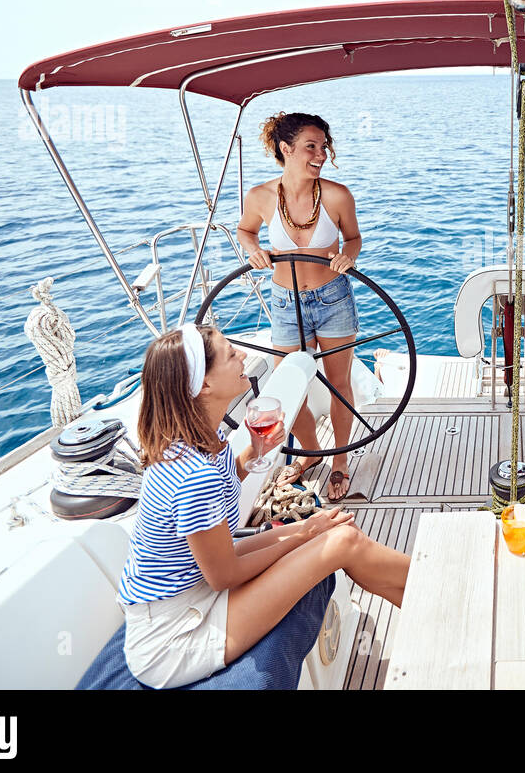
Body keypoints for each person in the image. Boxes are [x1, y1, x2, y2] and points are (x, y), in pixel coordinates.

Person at [116, 323, 410, 689]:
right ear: (203, 385)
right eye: (230, 354)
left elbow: (223, 494)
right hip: (175, 638)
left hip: (197, 596)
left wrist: (253, 455)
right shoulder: (193, 475)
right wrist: (302, 533)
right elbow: (224, 574)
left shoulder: (199, 441)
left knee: (338, 532)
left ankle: (432, 604)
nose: (243, 355)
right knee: (340, 541)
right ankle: (435, 588)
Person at [237, 112, 361, 501]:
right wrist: (254, 249)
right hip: (285, 302)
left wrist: (348, 256)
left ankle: (339, 460)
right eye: (311, 146)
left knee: (339, 386)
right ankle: (310, 451)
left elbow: (353, 238)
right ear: (285, 149)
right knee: (289, 388)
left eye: (324, 147)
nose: (321, 154)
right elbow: (245, 229)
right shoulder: (260, 197)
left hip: (332, 299)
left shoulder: (337, 195)